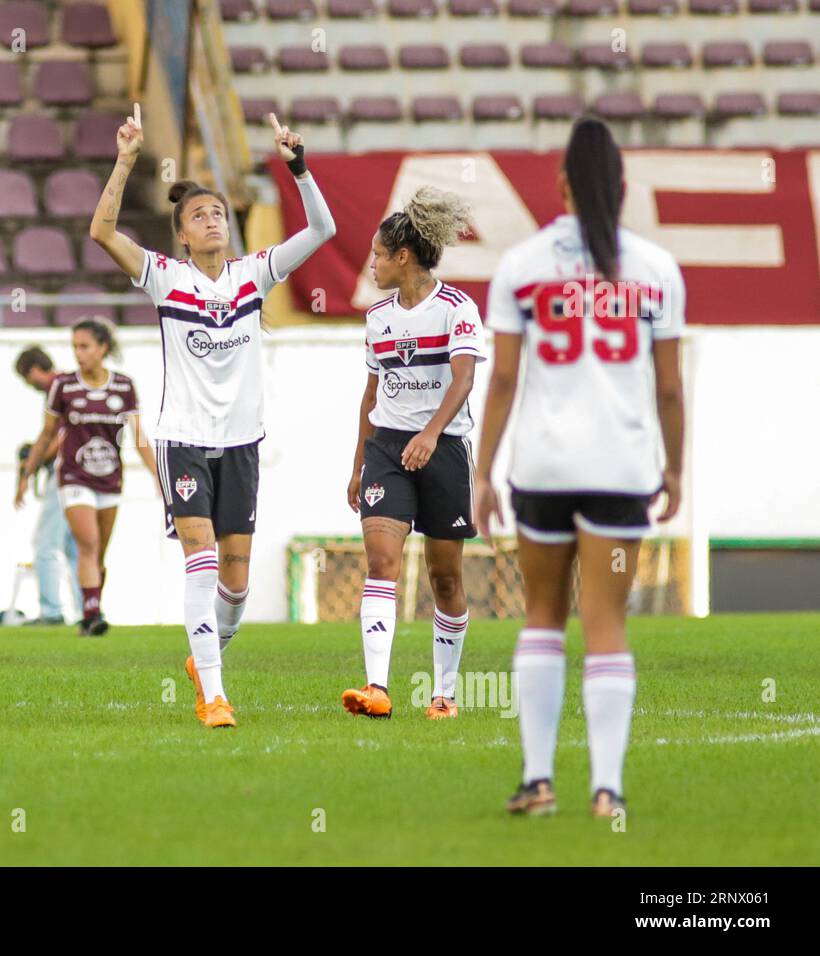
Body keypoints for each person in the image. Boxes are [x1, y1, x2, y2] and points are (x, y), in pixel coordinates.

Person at [89, 104, 336, 728]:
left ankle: (206, 663)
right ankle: (216, 697)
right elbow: (102, 233)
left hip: (242, 442)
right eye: (199, 215)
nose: (212, 219)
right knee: (198, 557)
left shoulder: (256, 274)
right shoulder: (166, 279)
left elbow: (323, 231)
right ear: (182, 234)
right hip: (185, 439)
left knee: (237, 582)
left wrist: (299, 168)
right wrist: (123, 161)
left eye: (219, 212)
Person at [473, 117, 686, 818]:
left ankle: (538, 781)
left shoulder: (522, 266)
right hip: (622, 474)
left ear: (561, 184)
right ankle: (608, 789)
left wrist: (482, 472)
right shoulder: (655, 271)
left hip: (542, 469)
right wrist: (674, 469)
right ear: (622, 188)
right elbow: (669, 388)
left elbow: (501, 381)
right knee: (606, 623)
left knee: (540, 615)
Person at [341, 188, 484, 722]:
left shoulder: (457, 309)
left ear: (403, 257)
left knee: (444, 577)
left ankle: (444, 692)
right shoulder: (377, 317)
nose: (372, 263)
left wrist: (430, 433)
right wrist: (358, 463)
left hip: (443, 448)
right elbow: (371, 395)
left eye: (378, 254)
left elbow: (465, 377)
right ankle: (376, 687)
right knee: (381, 561)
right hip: (387, 450)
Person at [16, 319, 158, 635]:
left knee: (99, 552)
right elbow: (46, 434)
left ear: (102, 348)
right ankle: (90, 613)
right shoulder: (64, 386)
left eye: (85, 346)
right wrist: (27, 474)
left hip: (109, 479)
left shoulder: (123, 386)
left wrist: (156, 474)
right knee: (87, 544)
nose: (78, 353)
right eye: (75, 347)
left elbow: (139, 435)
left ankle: (92, 606)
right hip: (74, 477)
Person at [14, 346, 81, 625]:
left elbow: (62, 434)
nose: (28, 385)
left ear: (34, 370)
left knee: (45, 544)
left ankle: (51, 611)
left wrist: (34, 462)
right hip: (84, 475)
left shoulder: (59, 388)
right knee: (75, 547)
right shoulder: (74, 385)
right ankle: (86, 610)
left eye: (26, 378)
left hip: (66, 473)